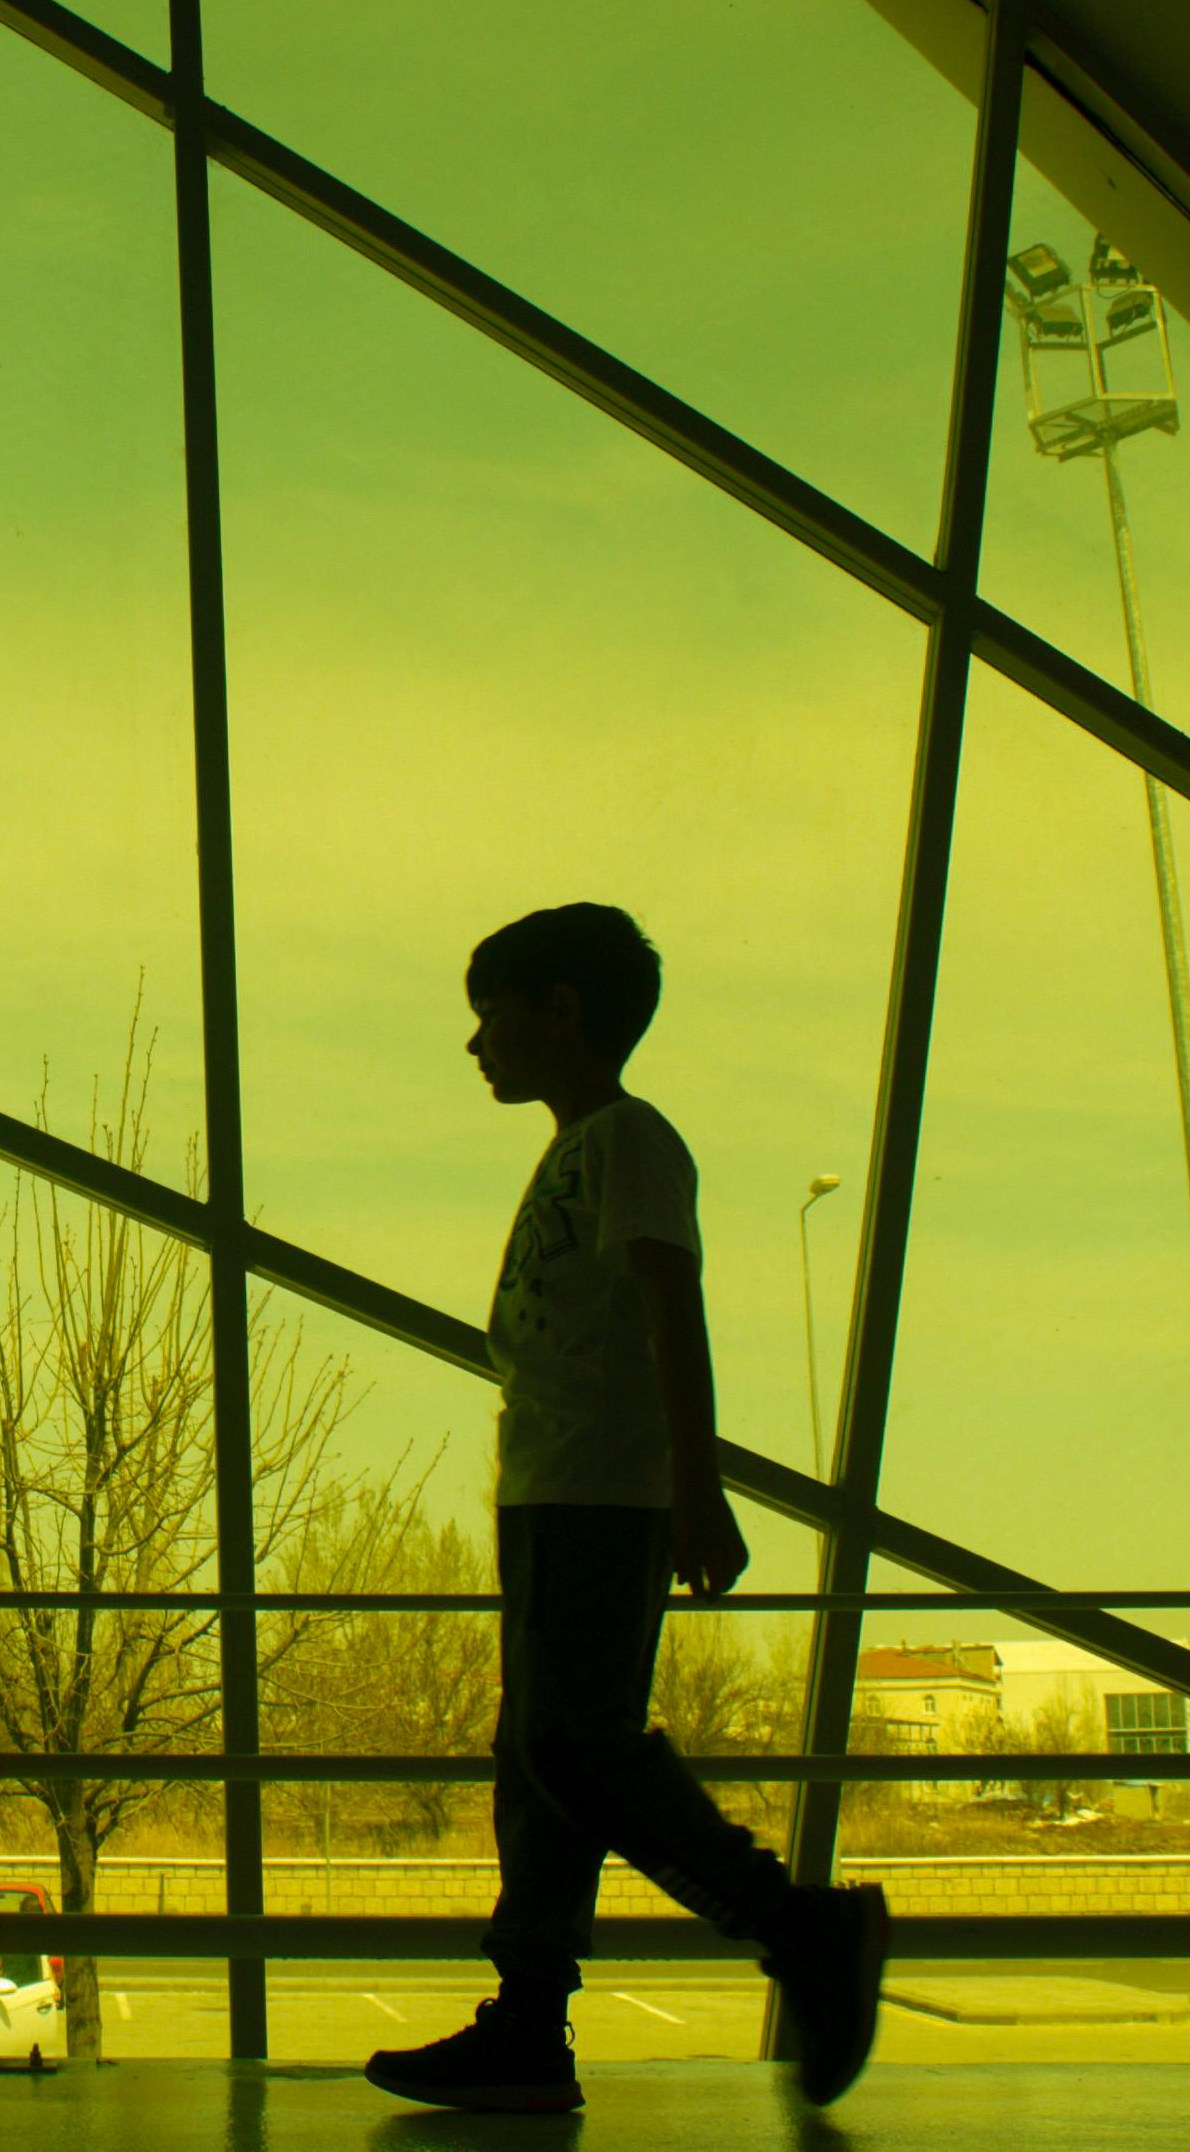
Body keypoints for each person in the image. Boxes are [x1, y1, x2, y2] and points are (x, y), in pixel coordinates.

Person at [365, 904, 888, 2115]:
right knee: (536, 1765)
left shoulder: (628, 1142)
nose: (474, 1045)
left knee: (569, 1747)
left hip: (602, 1492)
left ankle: (797, 1926)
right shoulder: (577, 1151)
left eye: (488, 1015)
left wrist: (694, 1489)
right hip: (554, 1493)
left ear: (560, 1012)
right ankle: (528, 2026)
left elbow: (671, 1310)